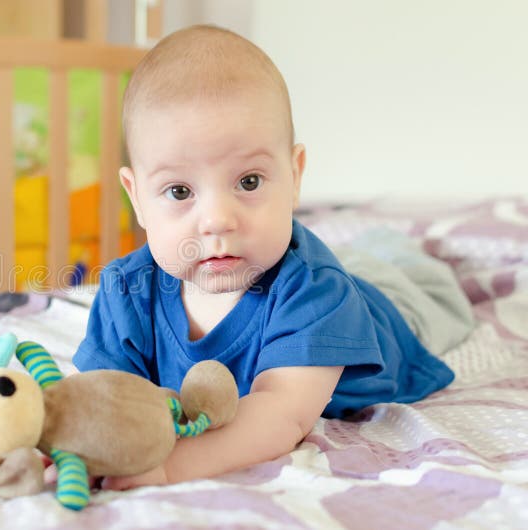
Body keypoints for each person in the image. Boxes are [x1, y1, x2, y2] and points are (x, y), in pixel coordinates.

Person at [71, 25, 474, 490]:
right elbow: (104, 401)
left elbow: (280, 415)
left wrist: (166, 467)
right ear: (136, 196)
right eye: (180, 190)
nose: (217, 220)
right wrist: (74, 447)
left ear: (295, 175)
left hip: (390, 310)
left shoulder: (318, 291)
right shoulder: (126, 290)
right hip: (315, 265)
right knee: (344, 259)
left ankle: (398, 245)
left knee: (422, 282)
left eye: (248, 182)